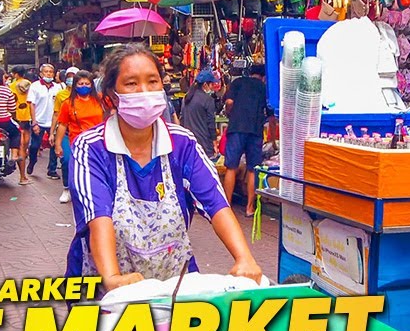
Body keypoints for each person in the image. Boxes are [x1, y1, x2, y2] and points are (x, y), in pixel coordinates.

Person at [68, 44, 263, 287]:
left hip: (174, 285)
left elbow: (216, 203)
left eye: (152, 81)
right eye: (131, 83)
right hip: (105, 287)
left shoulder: (183, 143)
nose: (144, 91)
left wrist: (244, 258)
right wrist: (113, 278)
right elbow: (98, 216)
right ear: (111, 96)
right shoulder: (91, 147)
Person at [54, 69, 106, 204]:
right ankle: (67, 188)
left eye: (87, 84)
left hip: (97, 141)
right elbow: (63, 124)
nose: (84, 86)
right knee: (66, 161)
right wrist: (58, 144)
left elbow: (113, 109)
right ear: (75, 85)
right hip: (75, 140)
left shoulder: (100, 99)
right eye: (81, 83)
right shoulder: (68, 103)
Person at [223, 63, 269, 217]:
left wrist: (232, 114)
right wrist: (273, 139)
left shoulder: (238, 82)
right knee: (252, 169)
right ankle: (249, 208)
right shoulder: (264, 89)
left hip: (236, 128)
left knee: (231, 167)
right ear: (263, 77)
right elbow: (271, 116)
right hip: (255, 131)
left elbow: (229, 103)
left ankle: (227, 207)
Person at [27, 63, 62, 180]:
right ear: (41, 74)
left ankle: (51, 170)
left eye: (51, 72)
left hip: (53, 122)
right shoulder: (35, 86)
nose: (48, 74)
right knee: (34, 146)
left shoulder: (57, 87)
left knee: (54, 146)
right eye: (46, 72)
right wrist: (34, 122)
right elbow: (31, 104)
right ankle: (32, 162)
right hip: (39, 121)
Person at [182, 70, 221, 160]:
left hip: (189, 143)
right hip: (204, 144)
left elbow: (182, 119)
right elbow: (211, 123)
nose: (212, 88)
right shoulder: (208, 100)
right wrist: (214, 143)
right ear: (205, 85)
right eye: (211, 85)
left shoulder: (187, 97)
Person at [10, 65, 33, 182]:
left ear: (15, 74)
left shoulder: (12, 85)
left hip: (17, 116)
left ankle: (22, 176)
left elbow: (12, 100)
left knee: (20, 147)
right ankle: (23, 177)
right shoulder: (29, 84)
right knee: (24, 145)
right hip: (28, 115)